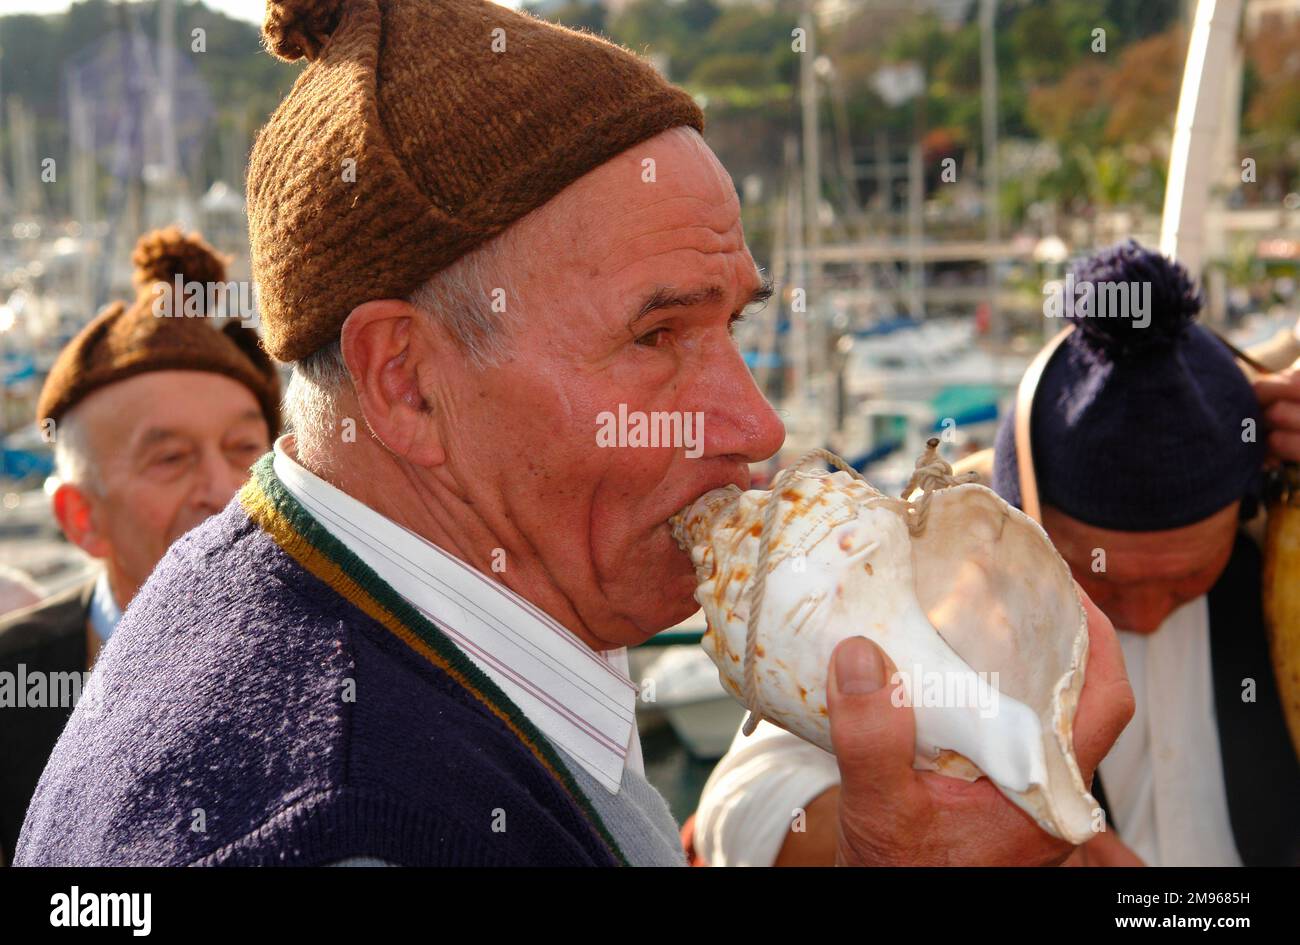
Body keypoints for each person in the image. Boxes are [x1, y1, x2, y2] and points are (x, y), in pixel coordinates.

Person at [14, 0, 1130, 867]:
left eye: (730, 321)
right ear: (403, 382)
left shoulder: (309, 612)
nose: (756, 421)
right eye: (656, 335)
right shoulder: (345, 822)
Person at [692, 242, 1300, 867]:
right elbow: (745, 808)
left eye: (1186, 581)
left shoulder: (1275, 559)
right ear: (1023, 526)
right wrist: (898, 849)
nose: (1145, 616)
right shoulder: (945, 578)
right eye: (1108, 584)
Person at [0, 228, 280, 865]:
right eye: (172, 458)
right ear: (81, 518)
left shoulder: (361, 662)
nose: (225, 489)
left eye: (244, 449)